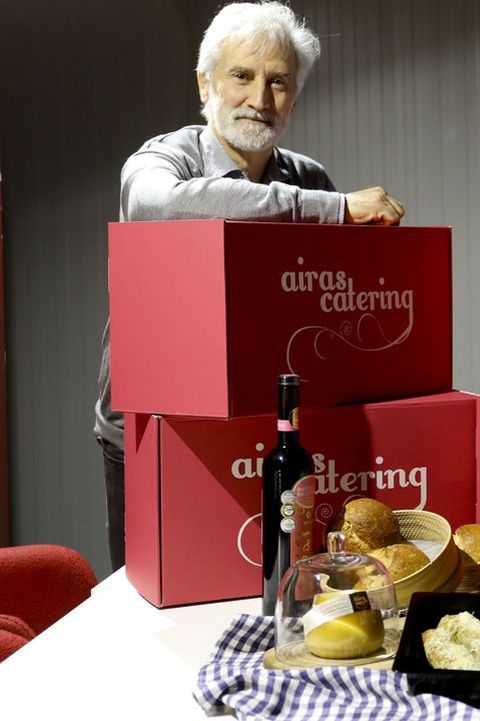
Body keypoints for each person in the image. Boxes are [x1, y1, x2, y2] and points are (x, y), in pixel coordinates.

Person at [94, 1, 406, 571]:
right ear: (204, 83)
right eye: (241, 75)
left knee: (276, 592)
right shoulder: (165, 159)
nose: (260, 99)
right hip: (155, 433)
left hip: (271, 433)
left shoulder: (308, 177)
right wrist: (333, 209)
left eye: (278, 82)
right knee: (155, 601)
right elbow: (158, 205)